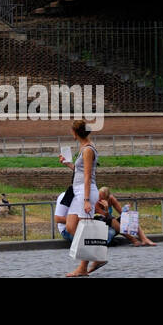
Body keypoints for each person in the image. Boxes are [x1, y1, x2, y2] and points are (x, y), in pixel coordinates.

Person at [59, 119, 103, 277]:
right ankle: (96, 252)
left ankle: (83, 268)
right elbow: (79, 171)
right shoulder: (83, 148)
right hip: (78, 191)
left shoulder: (88, 150)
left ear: (75, 133)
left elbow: (87, 176)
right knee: (71, 226)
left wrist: (85, 200)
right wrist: (68, 164)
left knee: (84, 228)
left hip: (86, 192)